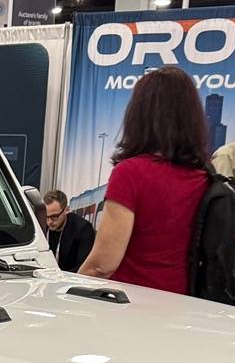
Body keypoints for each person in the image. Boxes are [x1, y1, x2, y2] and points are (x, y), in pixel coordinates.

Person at [77, 66, 211, 293]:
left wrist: (69, 290)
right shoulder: (205, 177)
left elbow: (101, 266)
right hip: (184, 303)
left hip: (130, 304)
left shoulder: (130, 173)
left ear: (138, 115)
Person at [41, 189, 95, 274]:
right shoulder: (42, 226)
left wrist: (60, 276)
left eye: (54, 217)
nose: (49, 222)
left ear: (66, 210)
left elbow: (84, 266)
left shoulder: (82, 229)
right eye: (46, 216)